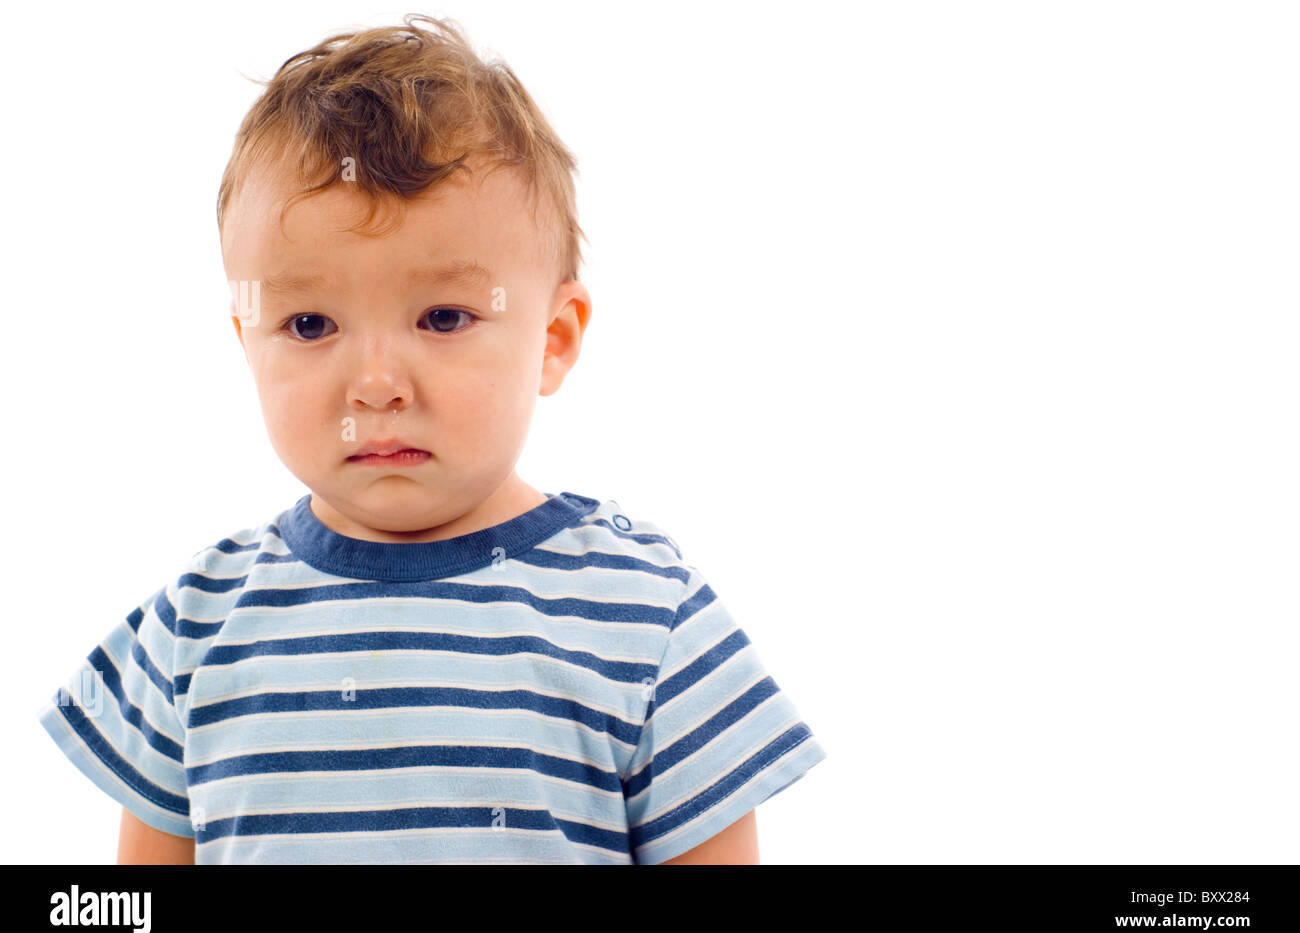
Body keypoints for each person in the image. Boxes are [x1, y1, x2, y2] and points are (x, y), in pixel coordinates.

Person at [37, 13, 826, 864]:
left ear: (553, 339)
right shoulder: (193, 624)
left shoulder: (647, 618)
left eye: (443, 317)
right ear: (247, 343)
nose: (376, 384)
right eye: (309, 323)